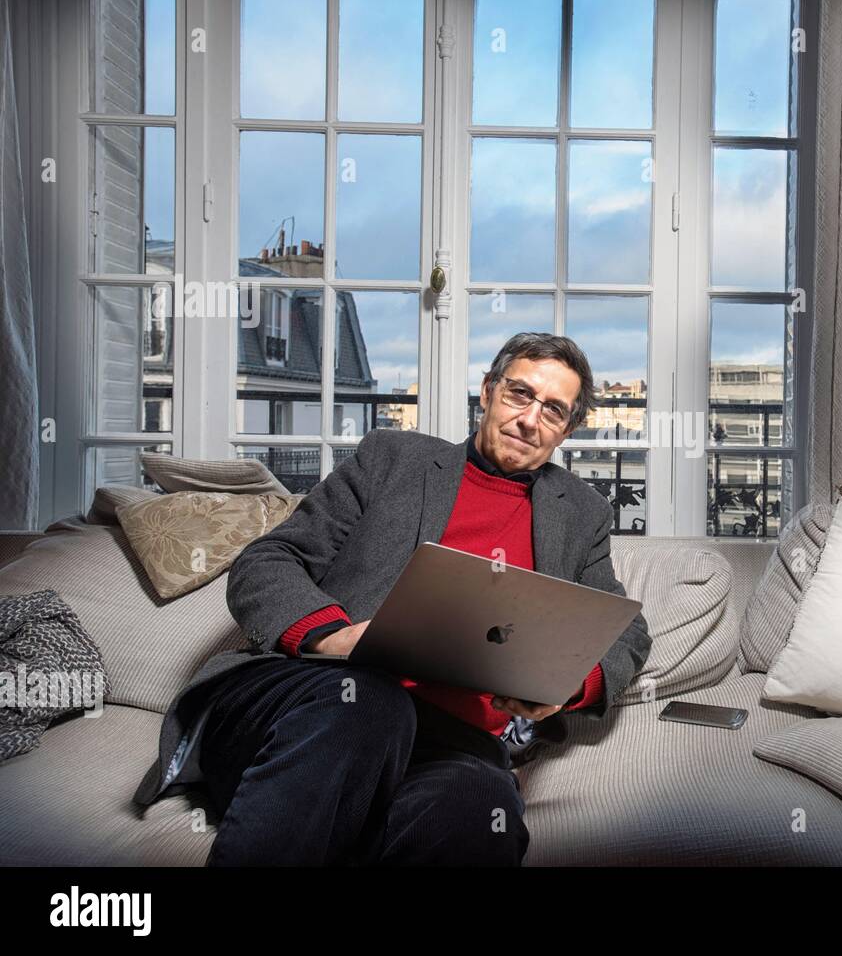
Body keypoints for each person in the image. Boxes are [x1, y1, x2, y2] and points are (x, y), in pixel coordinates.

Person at [130, 332, 651, 866]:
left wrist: (565, 683)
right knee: (372, 703)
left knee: (480, 805)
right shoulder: (391, 459)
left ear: (566, 429)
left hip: (453, 745)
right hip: (316, 702)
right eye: (520, 394)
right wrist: (334, 636)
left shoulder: (581, 513)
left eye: (554, 410)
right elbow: (267, 562)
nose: (530, 419)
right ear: (489, 390)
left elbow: (626, 631)